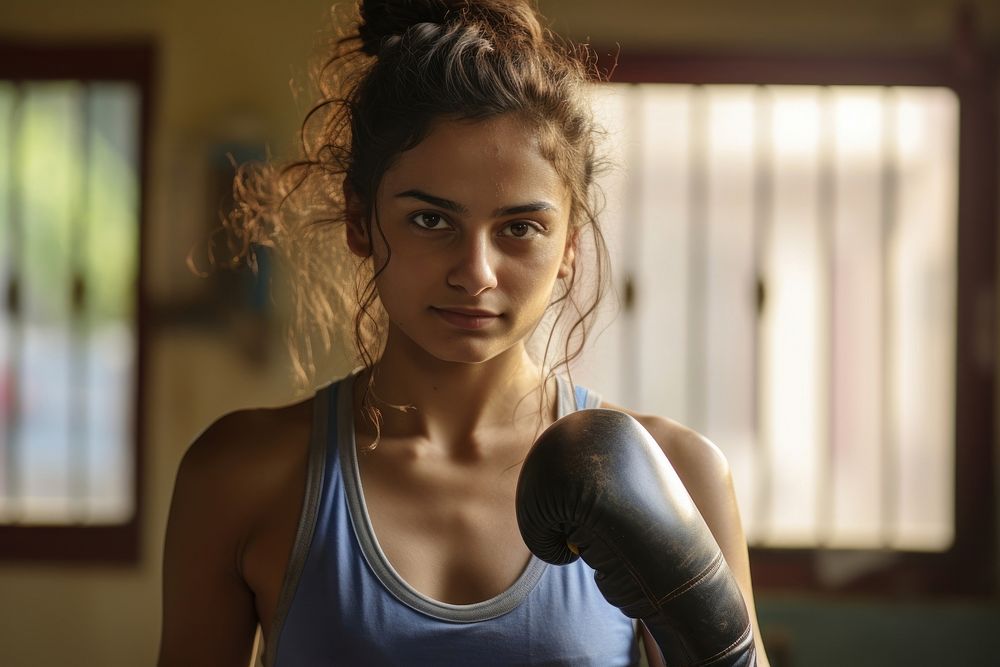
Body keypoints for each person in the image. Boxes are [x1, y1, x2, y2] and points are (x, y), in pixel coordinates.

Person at [158, 1, 771, 665]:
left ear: (569, 244)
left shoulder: (682, 473)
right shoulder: (241, 476)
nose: (475, 273)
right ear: (360, 222)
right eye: (430, 220)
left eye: (519, 228)